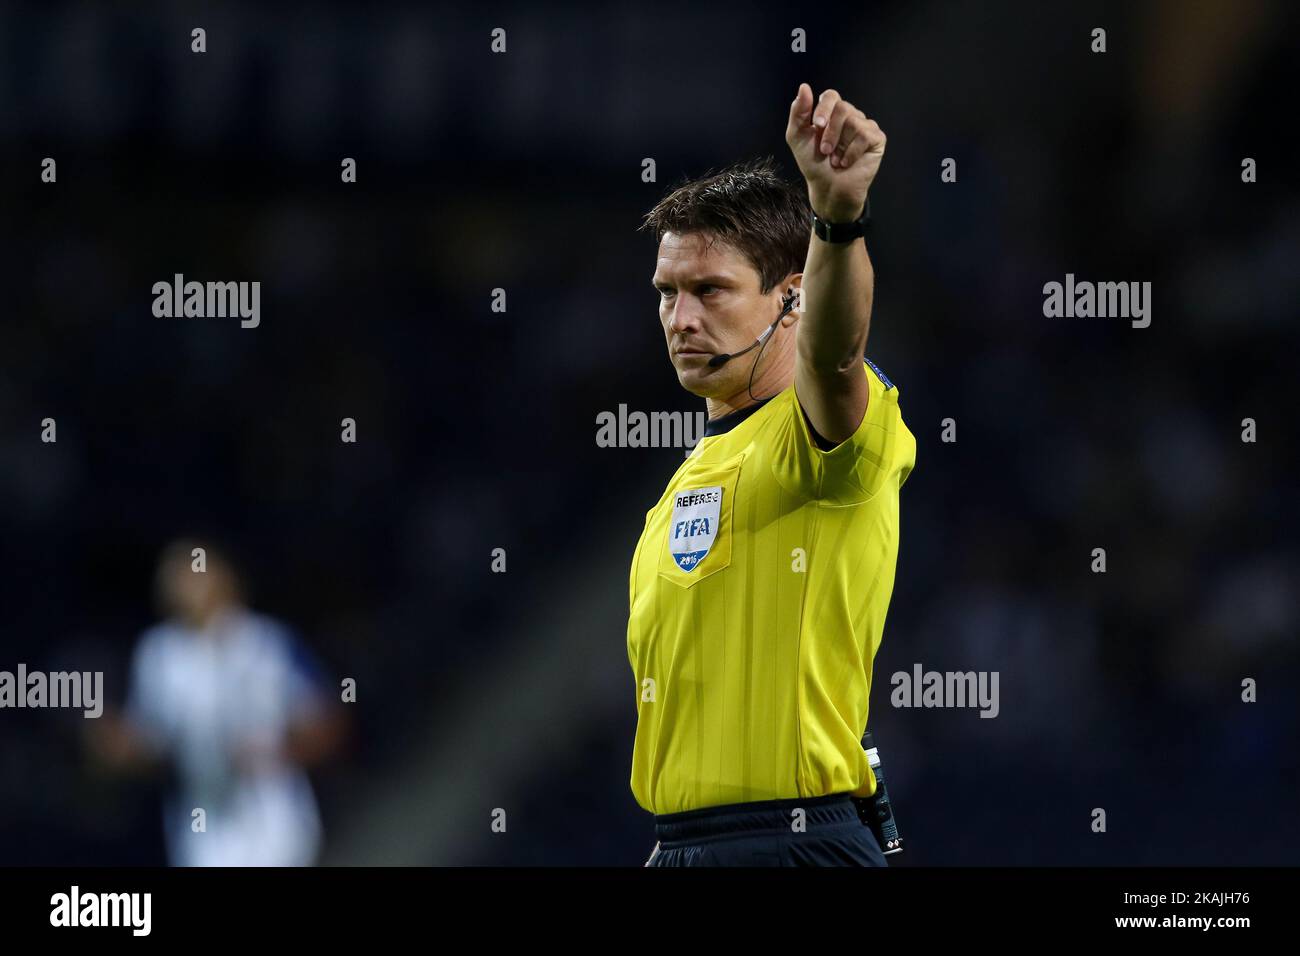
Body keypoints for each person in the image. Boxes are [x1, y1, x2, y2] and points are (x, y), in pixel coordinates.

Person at [628, 84, 916, 866]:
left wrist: (837, 219)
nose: (681, 320)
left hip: (793, 845)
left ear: (792, 298)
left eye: (709, 290)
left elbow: (835, 355)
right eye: (668, 294)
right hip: (681, 847)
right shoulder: (683, 484)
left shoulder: (823, 434)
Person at [92, 539, 344, 866]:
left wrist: (279, 753)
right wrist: (120, 747)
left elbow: (329, 720)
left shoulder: (265, 641)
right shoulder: (159, 656)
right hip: (205, 826)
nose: (185, 586)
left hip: (276, 814)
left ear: (223, 576)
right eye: (176, 576)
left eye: (194, 571)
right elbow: (151, 743)